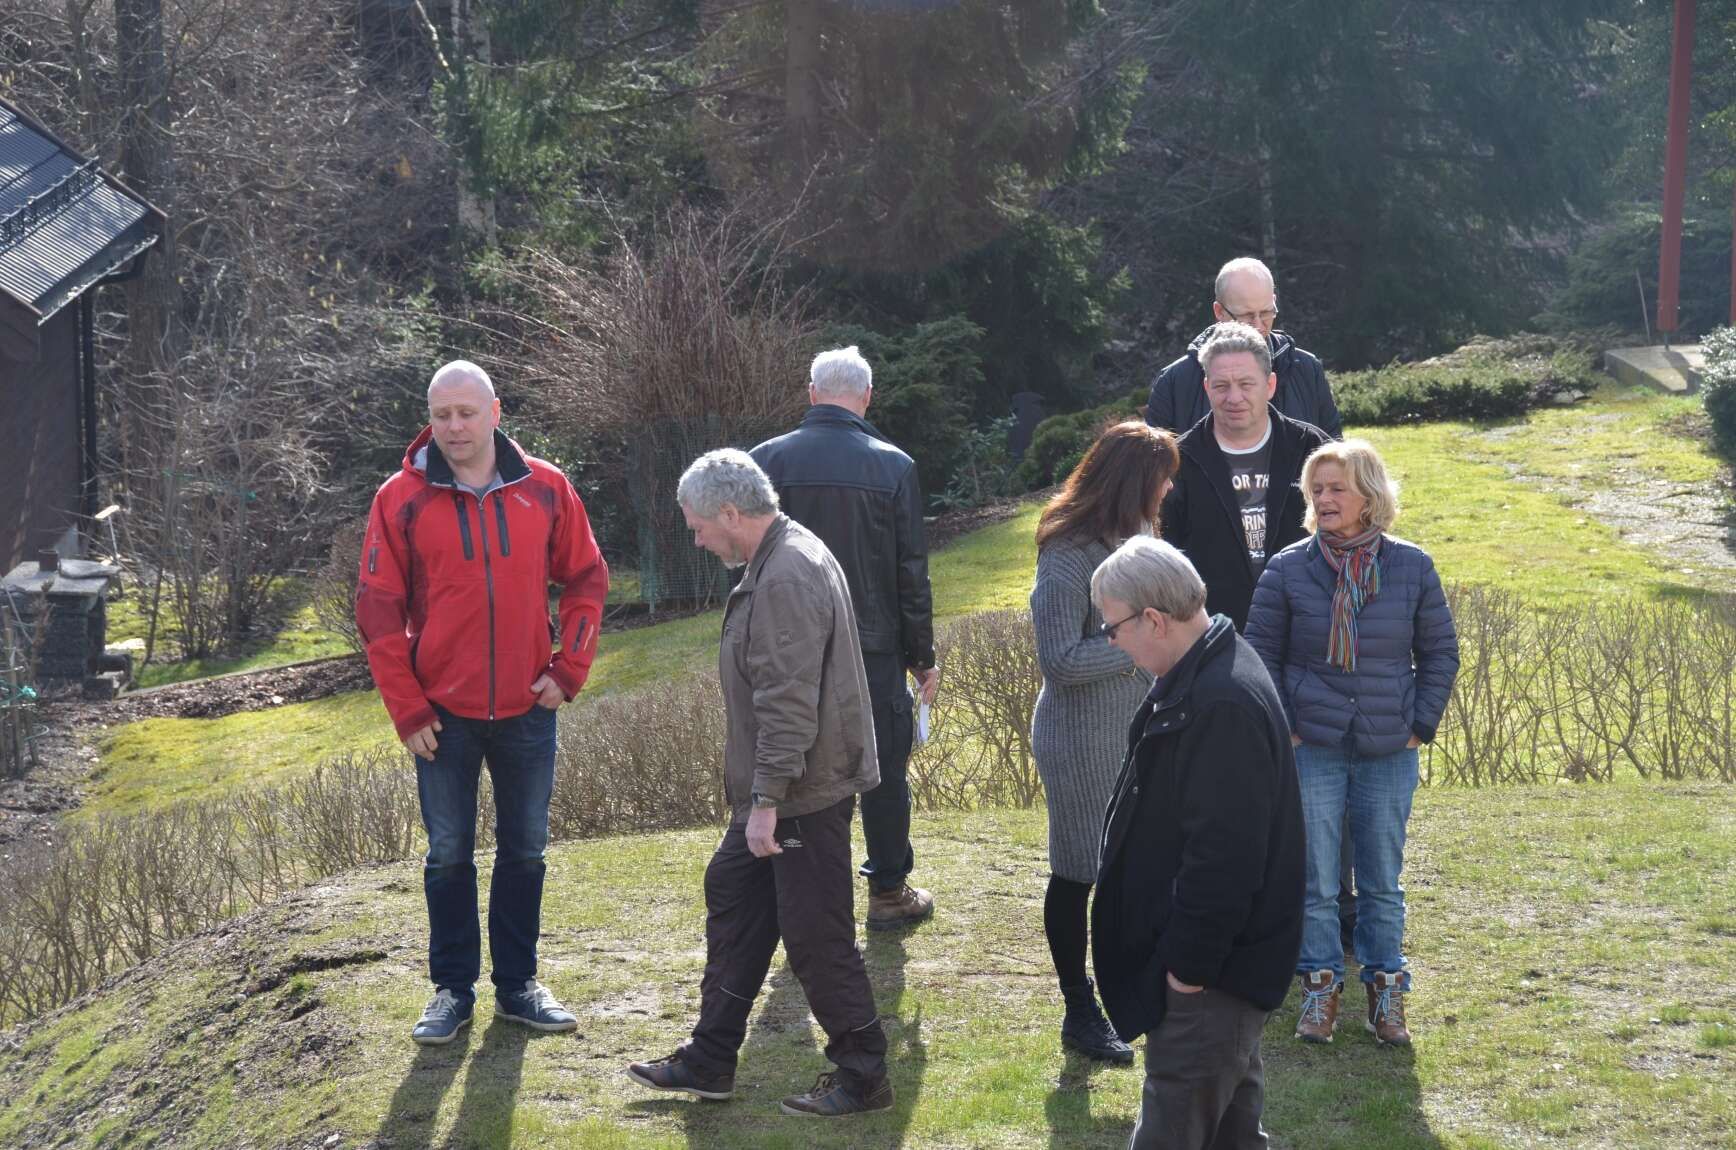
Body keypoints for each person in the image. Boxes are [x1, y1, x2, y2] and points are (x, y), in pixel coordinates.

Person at [626, 449, 893, 1118]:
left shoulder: (785, 576)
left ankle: (864, 1074)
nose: (696, 540)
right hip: (784, 786)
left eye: (697, 527)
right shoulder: (778, 558)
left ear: (729, 512)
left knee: (816, 935)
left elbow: (788, 701)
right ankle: (710, 1058)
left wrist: (767, 799)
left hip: (801, 790)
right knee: (735, 894)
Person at [355, 360, 609, 1045]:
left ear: (495, 413)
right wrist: (408, 709)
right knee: (448, 854)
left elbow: (587, 577)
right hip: (442, 717)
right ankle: (451, 991)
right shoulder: (400, 498)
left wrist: (569, 668)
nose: (454, 427)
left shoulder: (546, 487)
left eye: (467, 413)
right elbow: (377, 610)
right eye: (442, 415)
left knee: (525, 850)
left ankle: (519, 986)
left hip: (528, 709)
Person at [1244, 439, 1459, 1046]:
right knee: (1315, 879)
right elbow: (1260, 652)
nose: (1324, 498)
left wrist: (1420, 724)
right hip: (1312, 745)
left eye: (1337, 488)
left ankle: (1386, 992)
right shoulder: (1288, 567)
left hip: (1389, 747)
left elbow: (1440, 652)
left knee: (1381, 880)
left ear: (1369, 494)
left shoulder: (1412, 565)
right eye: (1316, 490)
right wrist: (1287, 724)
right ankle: (1320, 989)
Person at [1091, 537, 1304, 1149]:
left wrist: (1186, 974)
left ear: (1153, 620)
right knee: (1232, 1133)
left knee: (1174, 1129)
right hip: (1218, 978)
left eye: (1113, 628)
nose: (1112, 642)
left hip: (1210, 982)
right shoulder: (1211, 669)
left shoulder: (1221, 703)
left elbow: (1224, 863)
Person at [751, 345, 939, 930]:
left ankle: (802, 892)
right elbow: (910, 570)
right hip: (872, 645)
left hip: (788, 643)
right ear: (867, 397)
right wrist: (922, 655)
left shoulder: (765, 461)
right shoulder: (894, 466)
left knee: (795, 764)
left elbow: (746, 565)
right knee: (882, 769)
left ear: (812, 393)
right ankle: (888, 889)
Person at [1029, 421, 1180, 1065]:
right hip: (1081, 740)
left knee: (1142, 868)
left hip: (1143, 729)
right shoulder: (1067, 552)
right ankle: (1079, 1008)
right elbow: (1061, 660)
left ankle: (1139, 991)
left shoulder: (1141, 539)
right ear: (1130, 482)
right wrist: (1143, 639)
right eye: (1161, 479)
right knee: (1079, 872)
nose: (1168, 490)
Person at [1159, 322, 1332, 633]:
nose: (1234, 397)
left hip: (1306, 629)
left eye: (1246, 384)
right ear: (1206, 387)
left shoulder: (1312, 449)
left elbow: (1351, 533)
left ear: (1270, 384)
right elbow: (1162, 555)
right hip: (1214, 634)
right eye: (1221, 386)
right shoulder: (1177, 462)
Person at [1145, 257, 1342, 438]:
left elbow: (1335, 455)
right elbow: (1153, 463)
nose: (1258, 325)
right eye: (1246, 316)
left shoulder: (1307, 370)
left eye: (1266, 313)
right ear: (1219, 311)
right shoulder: (1174, 381)